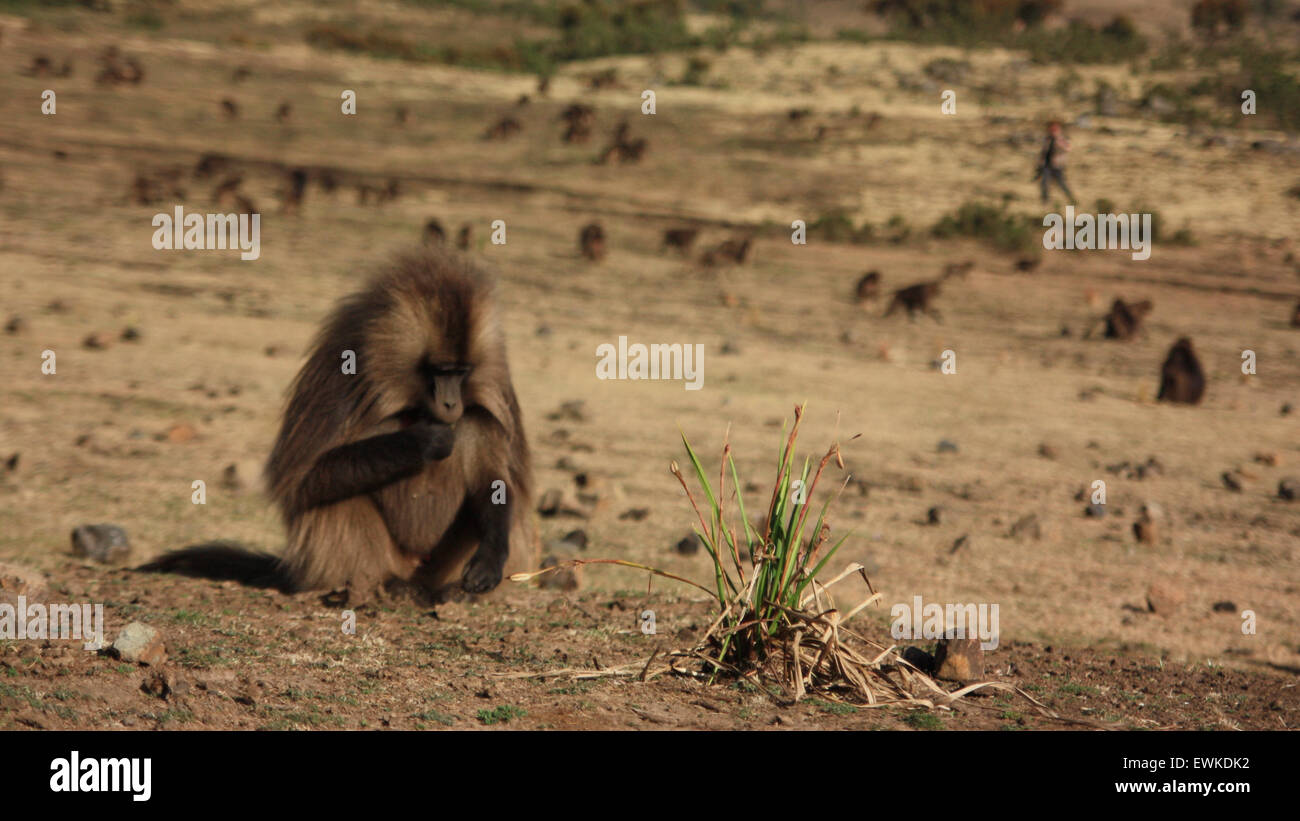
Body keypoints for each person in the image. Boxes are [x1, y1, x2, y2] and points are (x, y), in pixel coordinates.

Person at [1034, 120, 1075, 204]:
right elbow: (1043, 152)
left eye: (1055, 129)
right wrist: (1040, 163)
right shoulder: (1047, 139)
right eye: (1051, 129)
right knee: (1044, 183)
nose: (1053, 131)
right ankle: (1045, 201)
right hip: (1047, 165)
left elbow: (1068, 149)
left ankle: (1071, 199)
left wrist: (1058, 141)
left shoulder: (1062, 139)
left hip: (1057, 165)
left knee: (1062, 184)